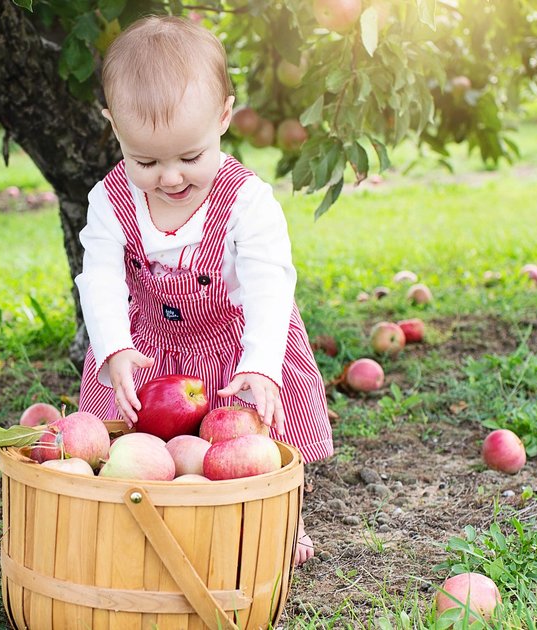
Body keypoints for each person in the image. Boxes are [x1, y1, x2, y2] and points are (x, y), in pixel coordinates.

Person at [75, 14, 334, 566]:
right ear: (114, 128)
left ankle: (279, 521)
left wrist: (263, 364)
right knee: (133, 440)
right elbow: (99, 277)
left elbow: (270, 283)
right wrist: (114, 348)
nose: (169, 178)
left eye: (189, 157)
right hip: (148, 347)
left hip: (234, 344)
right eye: (145, 160)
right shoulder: (109, 200)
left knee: (254, 441)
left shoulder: (247, 200)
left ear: (223, 118)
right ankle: (142, 517)